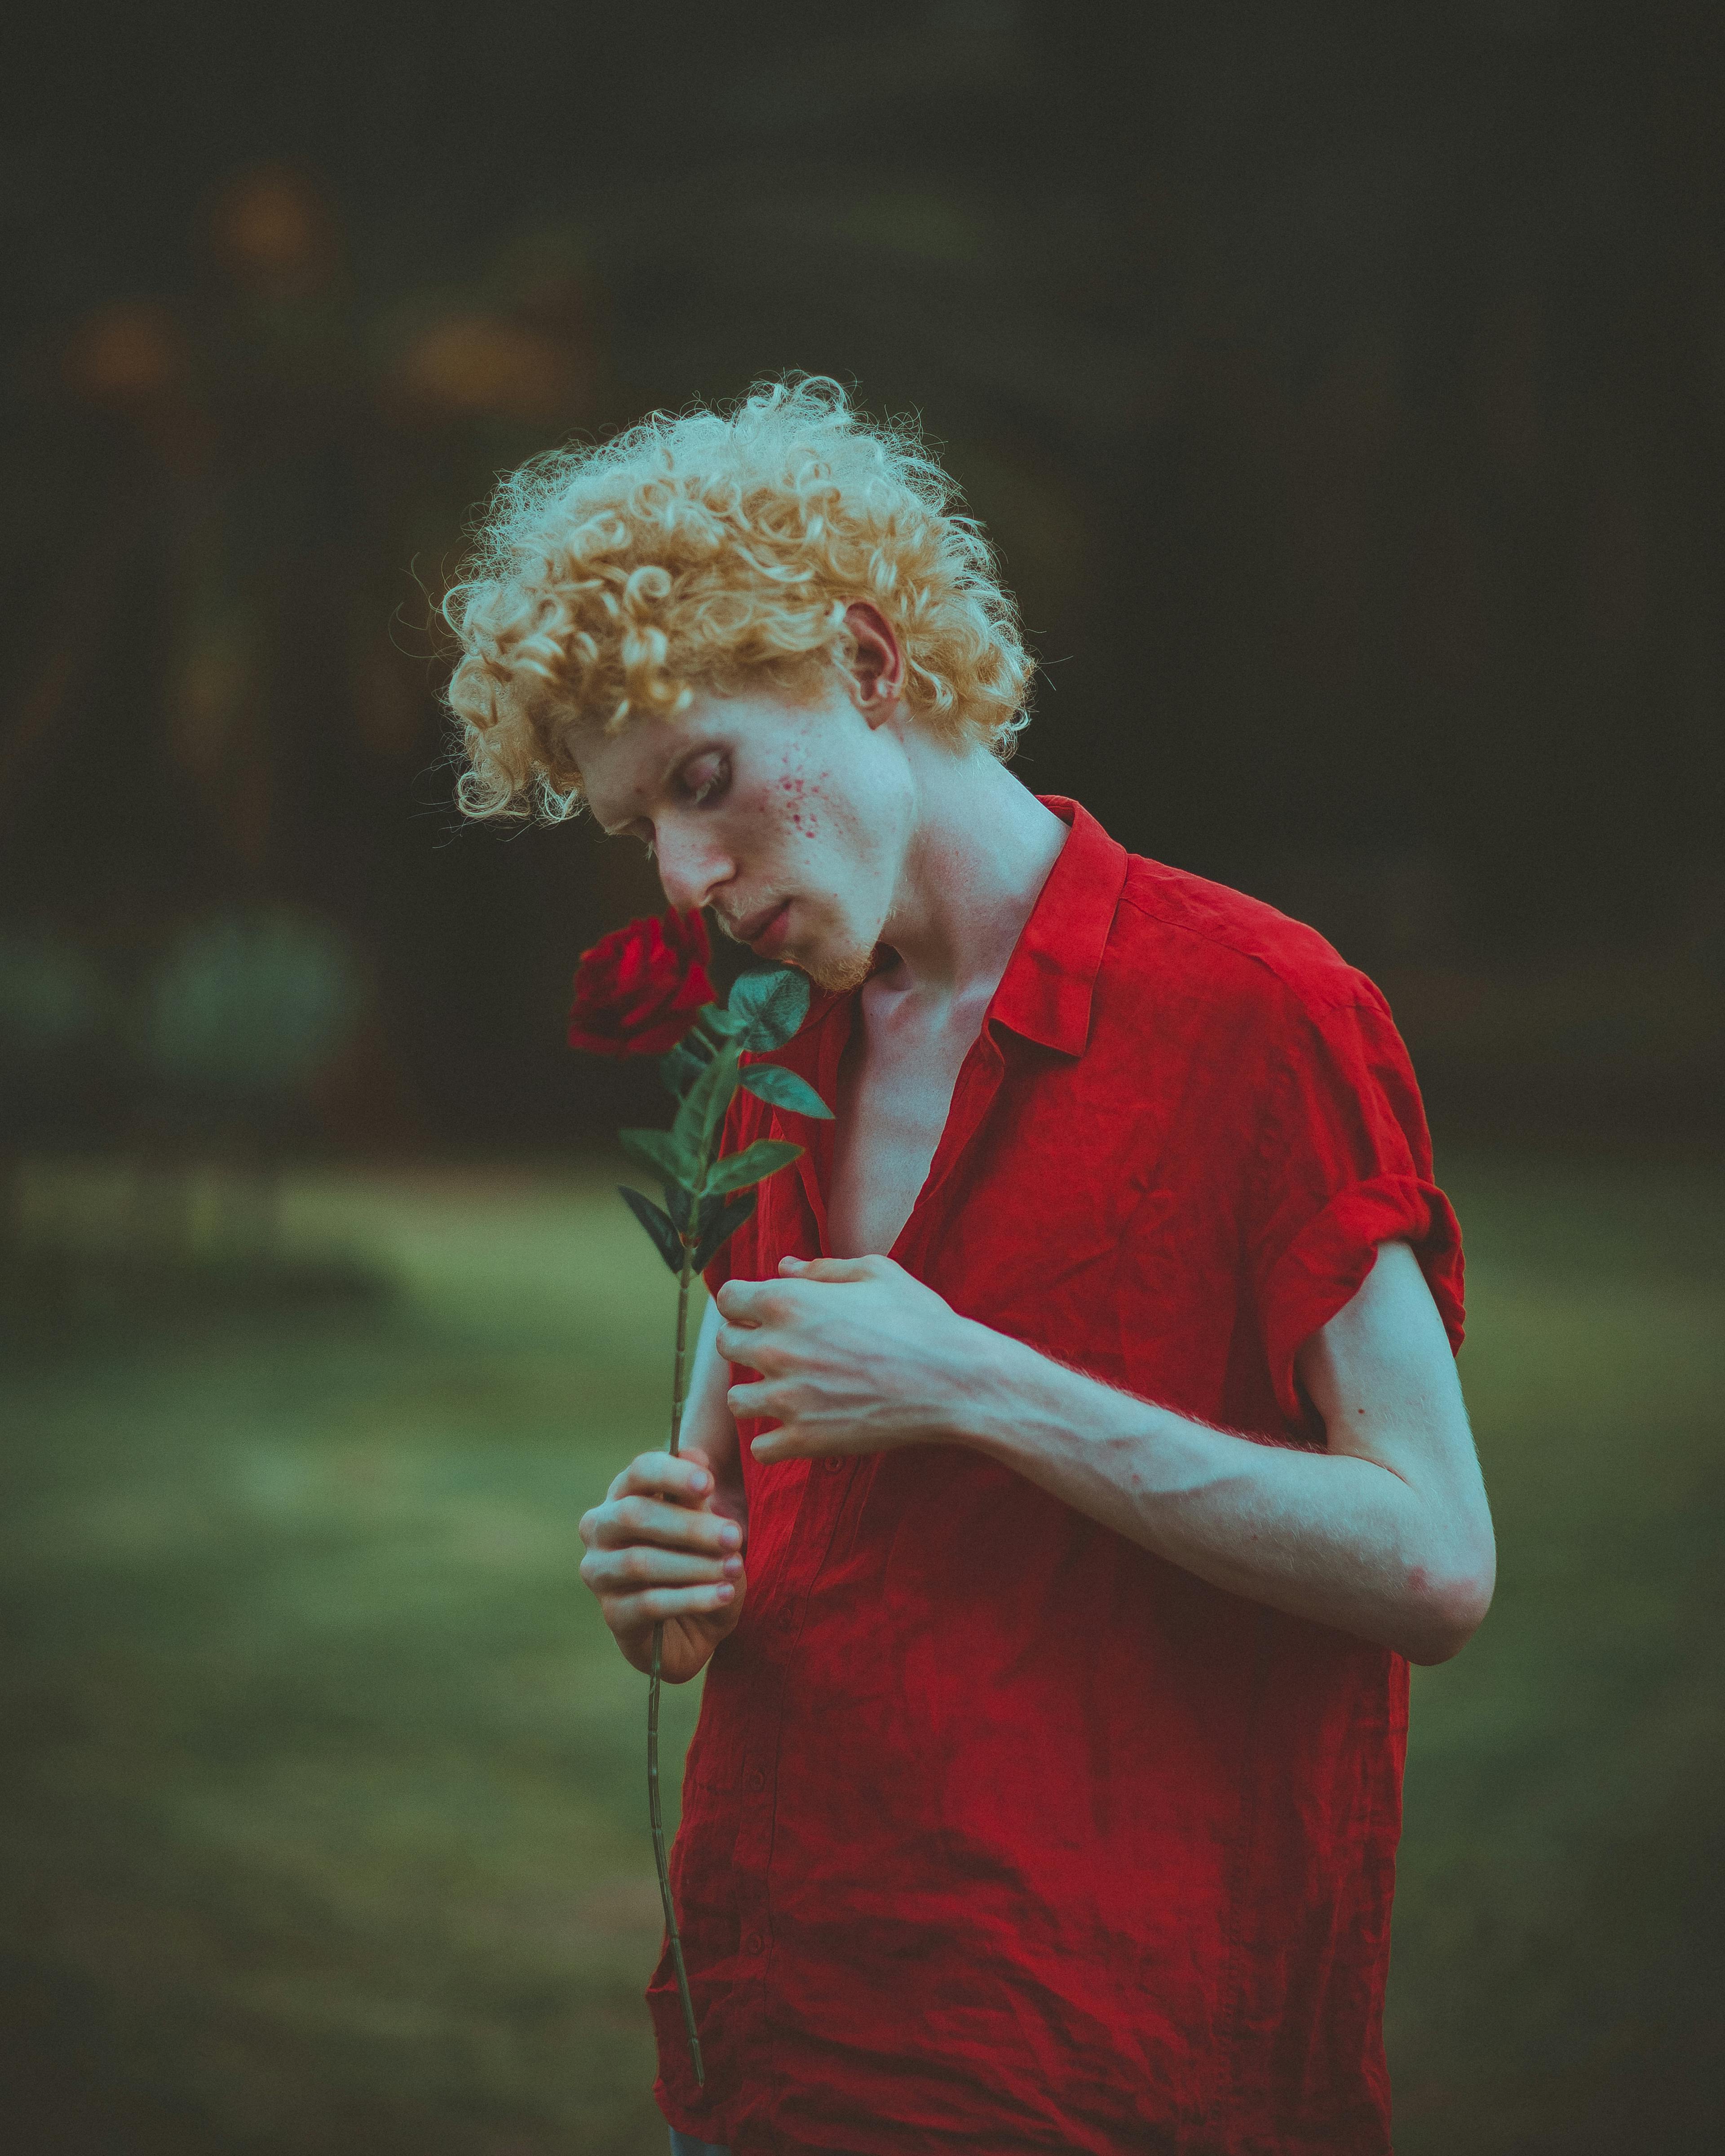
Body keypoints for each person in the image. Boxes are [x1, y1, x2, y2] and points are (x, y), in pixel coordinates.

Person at [441, 377, 1495, 2156]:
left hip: (1105, 2056)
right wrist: (666, 1572)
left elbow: (1435, 1559)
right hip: (774, 2016)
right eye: (643, 829)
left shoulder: (1261, 1011)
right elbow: (747, 1517)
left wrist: (975, 1386)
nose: (688, 878)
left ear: (865, 661)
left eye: (704, 782)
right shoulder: (769, 1050)